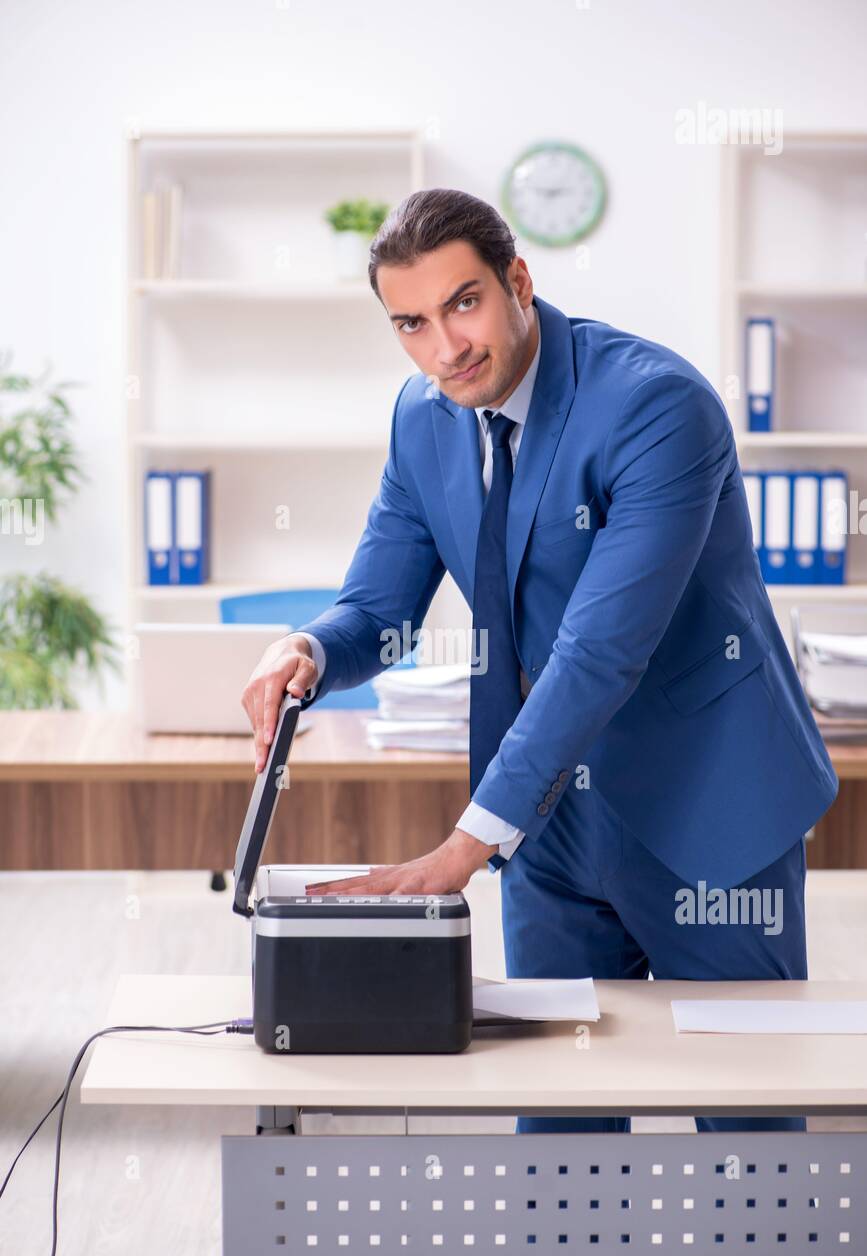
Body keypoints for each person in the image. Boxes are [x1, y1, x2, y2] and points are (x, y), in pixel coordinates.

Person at [241, 188, 838, 1133]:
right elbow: (380, 609)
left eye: (463, 303)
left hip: (706, 810)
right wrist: (307, 648)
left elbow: (599, 651)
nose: (445, 347)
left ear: (518, 281)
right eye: (411, 324)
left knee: (744, 1129)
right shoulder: (423, 418)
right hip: (550, 824)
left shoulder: (654, 406)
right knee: (561, 1127)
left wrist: (463, 847)